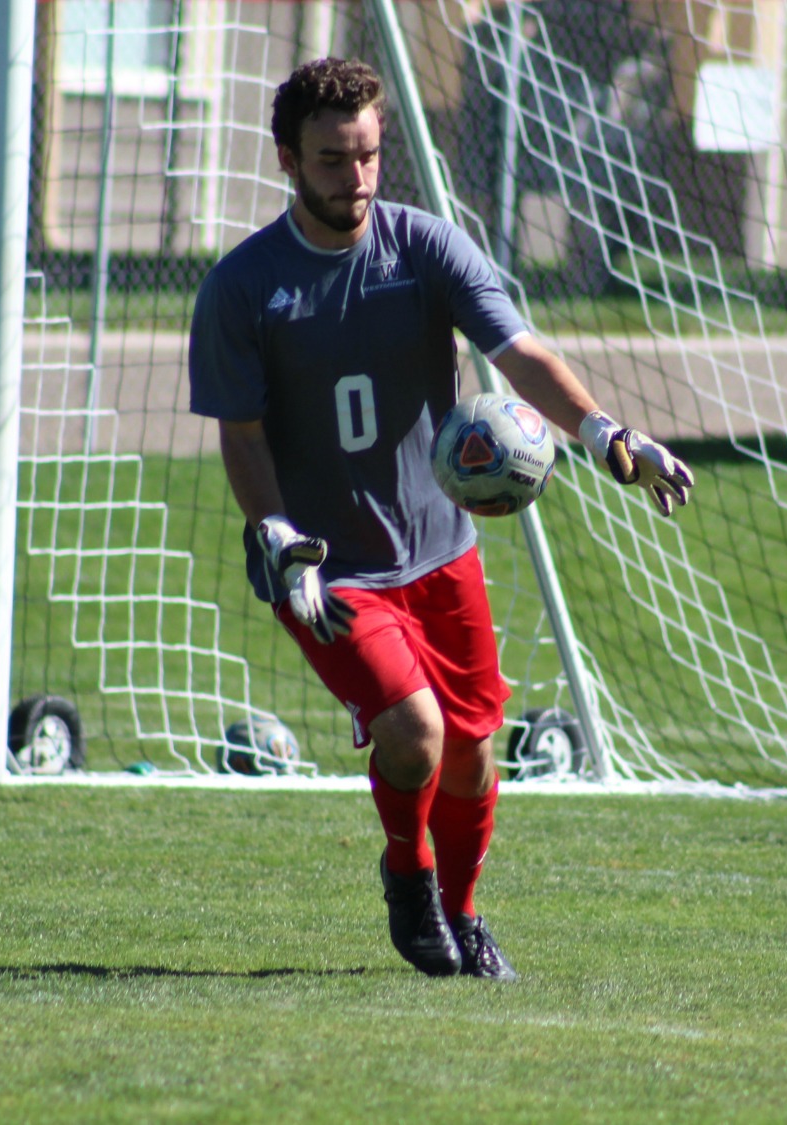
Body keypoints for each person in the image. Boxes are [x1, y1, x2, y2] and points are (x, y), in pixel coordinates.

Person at [187, 57, 694, 980]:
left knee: (471, 755)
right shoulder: (243, 287)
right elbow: (245, 436)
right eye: (334, 160)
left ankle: (462, 914)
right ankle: (408, 873)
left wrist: (606, 432)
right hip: (326, 565)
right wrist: (276, 541)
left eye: (371, 155)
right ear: (287, 161)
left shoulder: (424, 248)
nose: (358, 178)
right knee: (413, 733)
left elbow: (518, 350)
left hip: (439, 553)